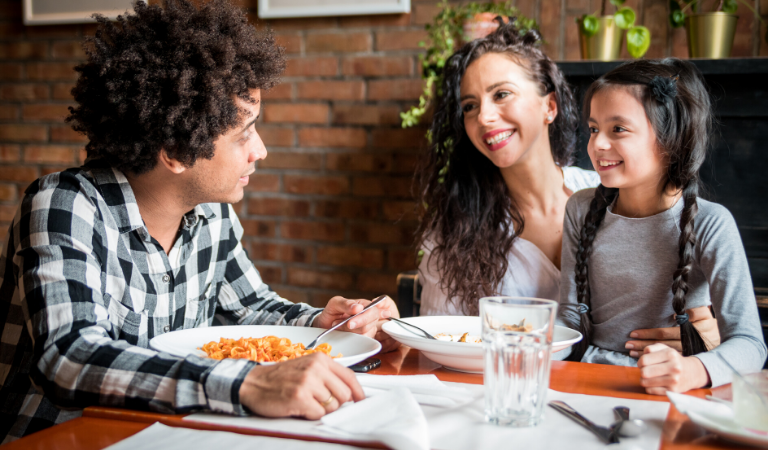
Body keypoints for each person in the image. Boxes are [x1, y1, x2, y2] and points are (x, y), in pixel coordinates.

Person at [0, 0, 398, 443]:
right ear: (175, 150)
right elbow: (68, 358)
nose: (260, 150)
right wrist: (247, 383)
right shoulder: (66, 205)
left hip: (169, 436)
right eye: (244, 133)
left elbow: (250, 310)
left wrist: (324, 323)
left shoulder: (213, 214)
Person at [414, 21, 717, 355]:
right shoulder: (452, 231)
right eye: (469, 105)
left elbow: (707, 315)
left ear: (550, 106)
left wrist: (703, 338)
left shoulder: (619, 193)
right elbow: (437, 344)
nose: (483, 116)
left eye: (501, 94)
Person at [559, 58, 767, 393]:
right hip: (585, 379)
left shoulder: (711, 224)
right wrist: (528, 345)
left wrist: (691, 371)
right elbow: (568, 322)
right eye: (595, 128)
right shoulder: (580, 209)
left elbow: (749, 344)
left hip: (665, 390)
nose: (596, 144)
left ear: (671, 140)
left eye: (619, 129)